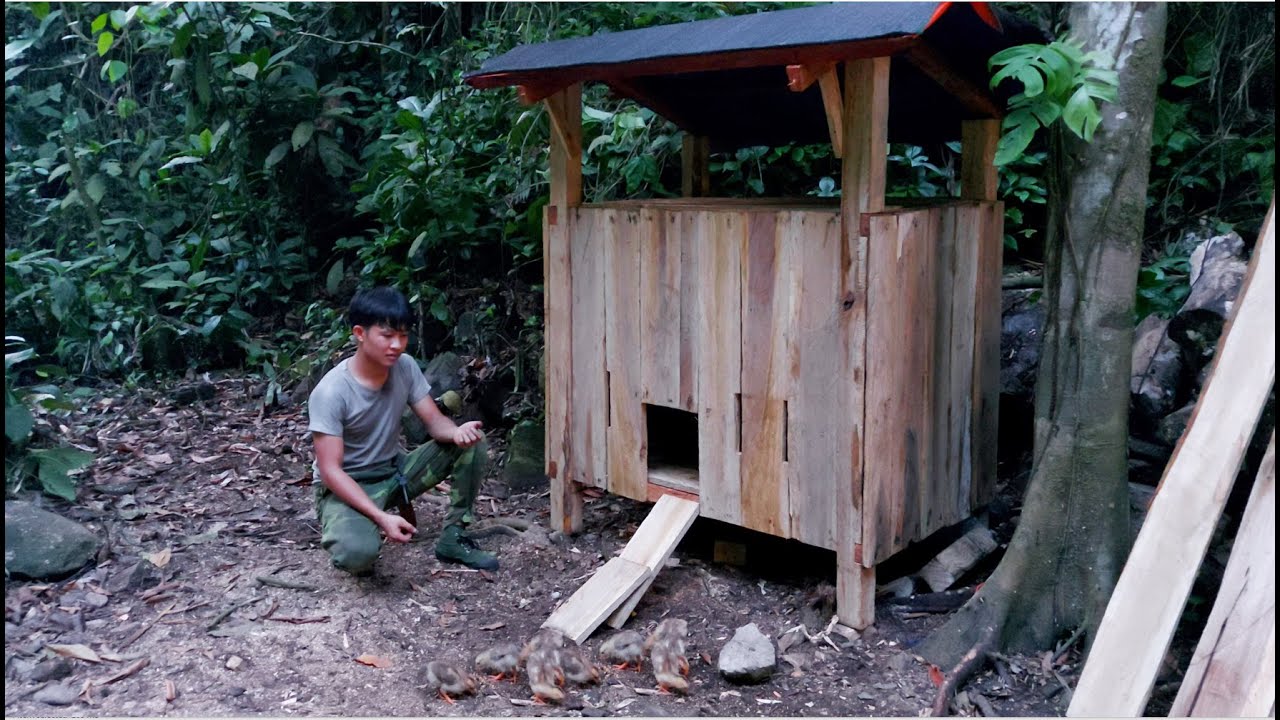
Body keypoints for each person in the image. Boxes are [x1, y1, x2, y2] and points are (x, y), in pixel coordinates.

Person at [307, 286, 498, 574]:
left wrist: (457, 433)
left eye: (403, 335)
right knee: (357, 556)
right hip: (348, 485)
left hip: (395, 473)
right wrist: (380, 517)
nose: (397, 344)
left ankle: (453, 537)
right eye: (387, 335)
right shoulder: (332, 391)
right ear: (360, 333)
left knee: (473, 441)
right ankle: (352, 524)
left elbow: (434, 422)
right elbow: (331, 471)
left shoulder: (405, 367)